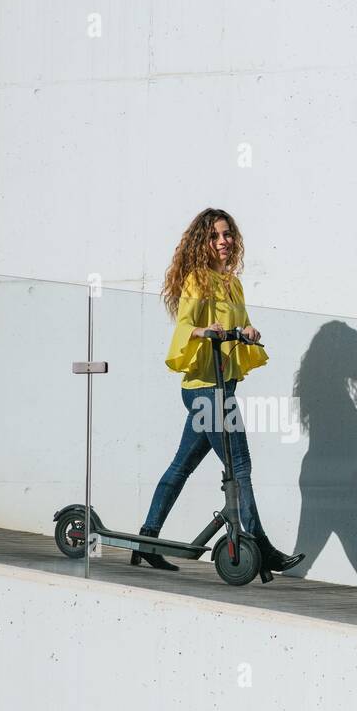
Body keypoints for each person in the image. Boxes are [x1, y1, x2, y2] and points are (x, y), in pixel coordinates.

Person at [134, 207, 304, 575]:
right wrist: (203, 331)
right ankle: (259, 545)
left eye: (227, 235)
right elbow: (184, 327)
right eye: (214, 236)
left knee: (181, 466)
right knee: (239, 465)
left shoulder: (232, 283)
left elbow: (240, 324)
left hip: (219, 387)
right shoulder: (198, 281)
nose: (223, 242)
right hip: (205, 390)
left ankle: (146, 540)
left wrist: (250, 331)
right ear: (202, 242)